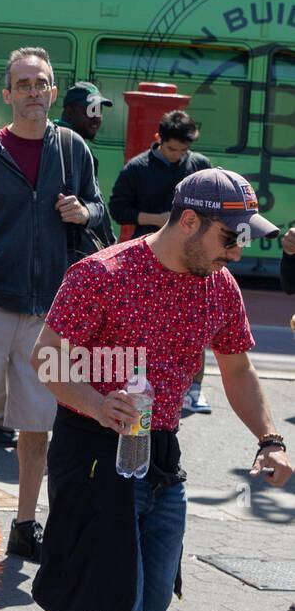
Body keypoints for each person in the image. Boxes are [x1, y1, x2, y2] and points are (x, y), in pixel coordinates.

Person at [32, 169, 291, 611]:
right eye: (232, 236)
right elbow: (46, 358)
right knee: (118, 595)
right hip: (93, 448)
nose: (238, 250)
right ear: (191, 221)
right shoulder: (101, 275)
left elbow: (238, 371)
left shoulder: (218, 286)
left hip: (161, 451)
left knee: (152, 602)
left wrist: (270, 438)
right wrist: (98, 403)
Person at [0, 45, 107, 561]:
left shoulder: (73, 149)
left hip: (49, 315)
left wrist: (85, 212)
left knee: (38, 426)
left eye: (42, 84)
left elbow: (101, 209)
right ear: (7, 94)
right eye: (24, 84)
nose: (34, 92)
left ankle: (25, 523)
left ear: (53, 91)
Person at [109, 110, 214, 414]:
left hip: (193, 256)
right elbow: (118, 208)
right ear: (158, 140)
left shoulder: (199, 165)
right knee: (146, 324)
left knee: (196, 323)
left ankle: (194, 389)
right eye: (171, 149)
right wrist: (156, 220)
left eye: (184, 150)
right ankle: (145, 383)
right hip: (149, 256)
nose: (178, 156)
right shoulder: (137, 168)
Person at [56, 81, 115, 248]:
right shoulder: (63, 146)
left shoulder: (79, 148)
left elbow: (95, 205)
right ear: (68, 112)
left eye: (99, 110)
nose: (96, 117)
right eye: (90, 110)